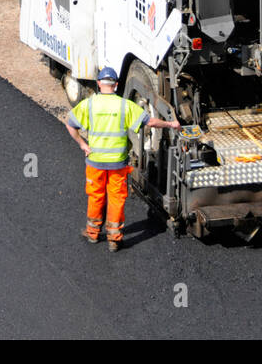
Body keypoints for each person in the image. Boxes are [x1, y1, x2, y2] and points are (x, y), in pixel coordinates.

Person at [65, 67, 180, 251]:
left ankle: (93, 233)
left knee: (96, 196)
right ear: (116, 85)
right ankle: (114, 239)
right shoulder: (124, 105)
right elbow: (150, 122)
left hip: (95, 162)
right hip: (117, 162)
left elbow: (70, 124)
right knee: (116, 198)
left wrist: (83, 144)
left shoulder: (89, 104)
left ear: (99, 84)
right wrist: (171, 124)